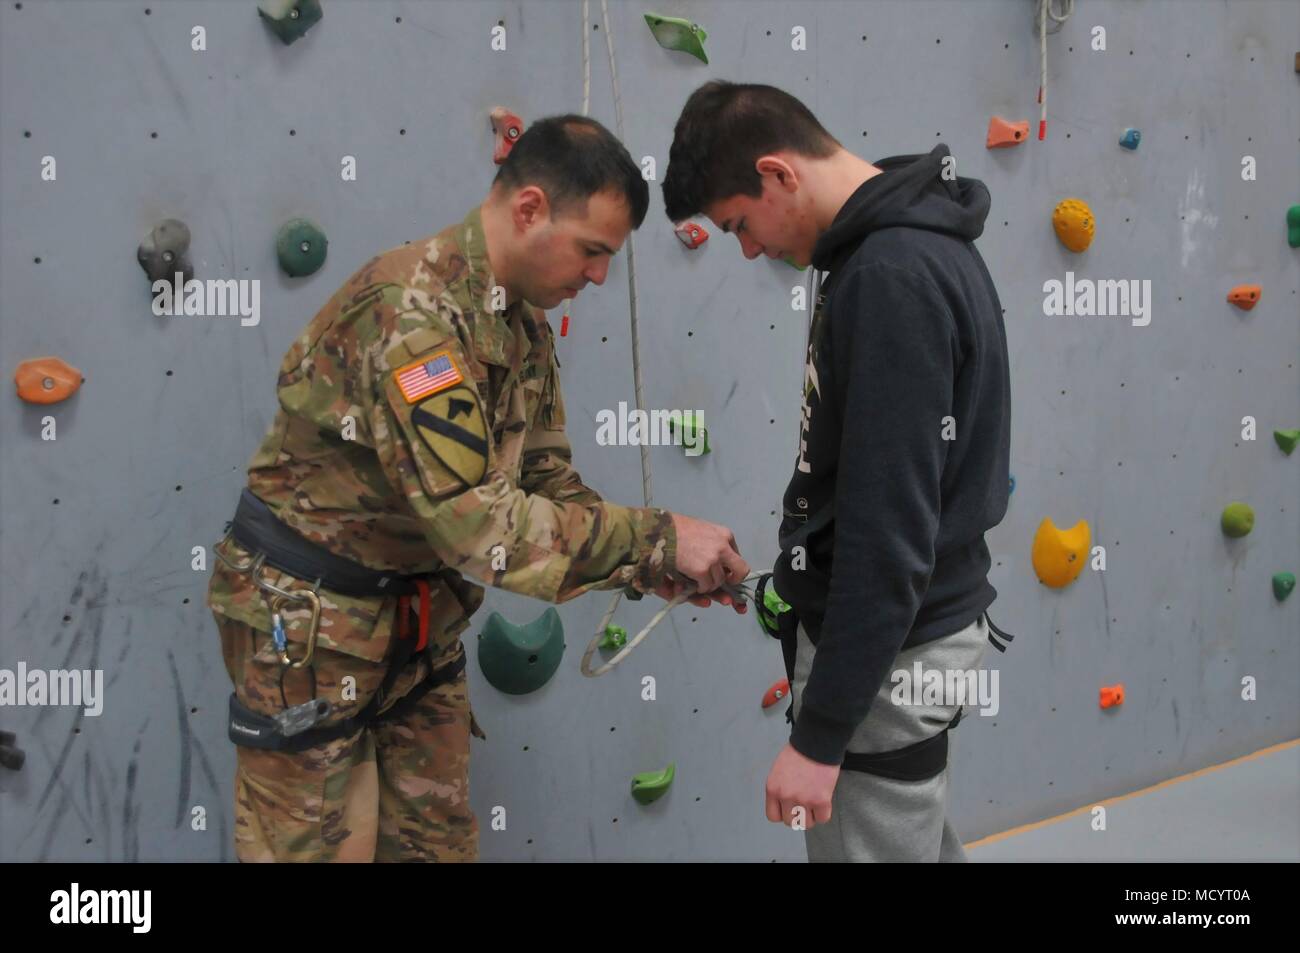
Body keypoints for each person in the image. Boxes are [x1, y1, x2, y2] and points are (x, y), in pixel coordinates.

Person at [208, 114, 749, 863]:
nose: (598, 276)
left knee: (437, 850)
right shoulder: (412, 316)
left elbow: (547, 486)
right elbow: (479, 528)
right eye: (593, 251)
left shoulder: (517, 326)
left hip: (417, 631)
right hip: (311, 632)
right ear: (529, 208)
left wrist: (657, 564)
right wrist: (657, 535)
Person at [662, 81, 1012, 862]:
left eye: (739, 225)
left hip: (892, 652)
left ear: (779, 173)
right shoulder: (898, 247)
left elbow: (889, 539)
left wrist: (819, 739)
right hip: (907, 635)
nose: (748, 250)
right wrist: (782, 575)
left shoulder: (891, 275)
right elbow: (869, 486)